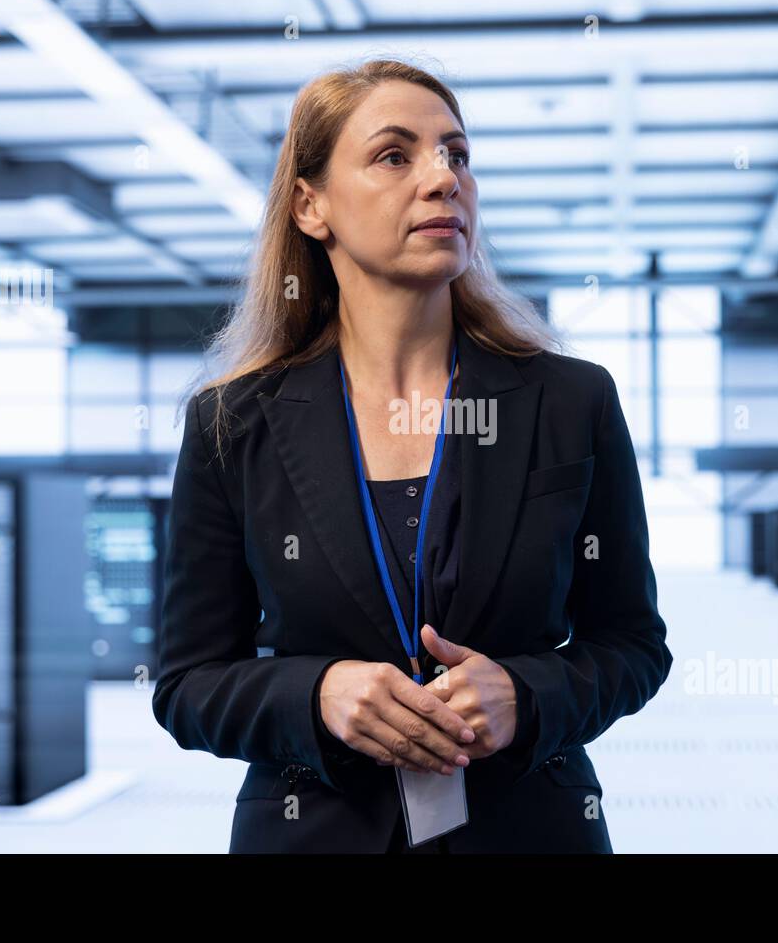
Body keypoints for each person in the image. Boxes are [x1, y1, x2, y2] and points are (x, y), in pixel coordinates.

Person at [152, 58, 673, 853]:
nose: (442, 179)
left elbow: (633, 646)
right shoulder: (235, 424)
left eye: (456, 154)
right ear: (311, 204)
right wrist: (318, 695)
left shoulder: (570, 402)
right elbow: (188, 684)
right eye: (396, 155)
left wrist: (527, 697)